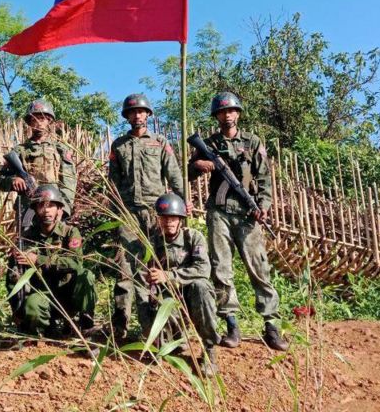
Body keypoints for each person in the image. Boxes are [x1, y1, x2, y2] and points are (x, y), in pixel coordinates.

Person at [188, 92, 288, 351]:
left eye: (232, 111)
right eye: (222, 112)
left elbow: (265, 179)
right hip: (219, 212)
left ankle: (271, 326)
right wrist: (199, 164)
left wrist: (262, 207)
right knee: (221, 268)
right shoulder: (208, 143)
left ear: (238, 114)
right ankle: (231, 324)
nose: (227, 115)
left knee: (259, 268)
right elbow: (187, 172)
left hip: (246, 213)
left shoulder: (252, 142)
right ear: (217, 116)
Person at [108, 93, 188, 340]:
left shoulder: (160, 143)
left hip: (157, 214)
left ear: (148, 115)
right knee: (125, 269)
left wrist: (183, 205)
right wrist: (114, 212)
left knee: (157, 267)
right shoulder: (118, 145)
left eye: (141, 111)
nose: (137, 115)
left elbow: (174, 177)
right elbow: (113, 182)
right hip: (128, 214)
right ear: (127, 116)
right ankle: (119, 325)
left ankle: (157, 325)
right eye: (132, 112)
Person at [133, 192, 220, 375]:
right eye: (164, 218)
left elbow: (203, 269)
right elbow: (140, 282)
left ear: (180, 219)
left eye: (173, 218)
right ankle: (176, 338)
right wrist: (147, 325)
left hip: (192, 298)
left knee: (202, 287)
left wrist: (169, 275)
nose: (169, 222)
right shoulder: (151, 244)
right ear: (159, 220)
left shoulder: (193, 238)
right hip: (167, 300)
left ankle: (209, 350)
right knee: (163, 348)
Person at [7, 184, 97, 337]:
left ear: (60, 210)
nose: (47, 210)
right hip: (43, 295)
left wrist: (38, 260)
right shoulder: (26, 238)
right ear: (35, 210)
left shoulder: (70, 232)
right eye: (42, 205)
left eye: (51, 206)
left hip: (68, 294)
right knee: (33, 305)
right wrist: (17, 309)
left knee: (86, 275)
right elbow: (13, 276)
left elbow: (75, 263)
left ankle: (85, 324)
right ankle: (48, 328)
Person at [0, 99, 78, 232]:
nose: (39, 123)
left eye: (42, 119)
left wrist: (64, 209)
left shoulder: (60, 149)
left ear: (49, 121)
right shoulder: (18, 151)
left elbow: (69, 183)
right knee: (27, 246)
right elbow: (0, 180)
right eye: (35, 119)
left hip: (53, 207)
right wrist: (13, 180)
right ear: (29, 122)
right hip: (28, 207)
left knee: (55, 246)